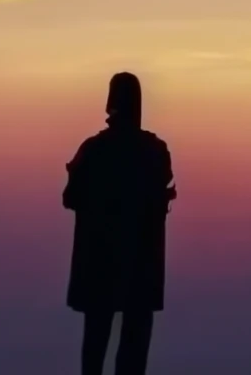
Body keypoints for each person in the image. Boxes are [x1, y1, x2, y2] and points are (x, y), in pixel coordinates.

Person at [63, 73, 176, 375]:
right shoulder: (155, 151)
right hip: (141, 266)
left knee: (96, 343)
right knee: (134, 348)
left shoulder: (94, 150)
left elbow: (70, 197)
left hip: (100, 263)